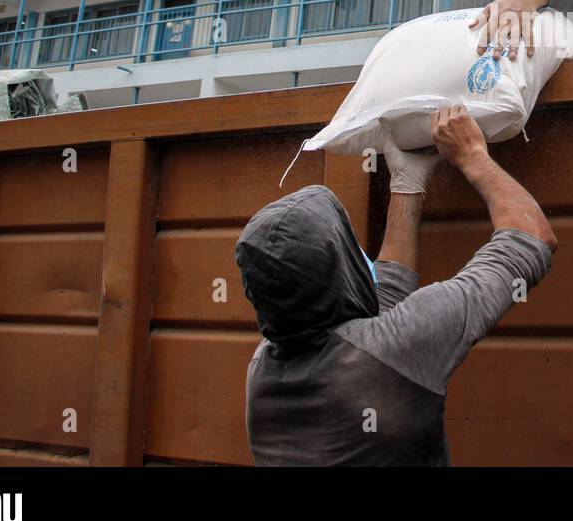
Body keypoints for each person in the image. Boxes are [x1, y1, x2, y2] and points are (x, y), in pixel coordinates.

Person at [235, 104, 556, 466]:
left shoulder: (264, 366)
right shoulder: (397, 348)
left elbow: (377, 311)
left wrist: (406, 186)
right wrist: (474, 157)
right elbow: (530, 238)